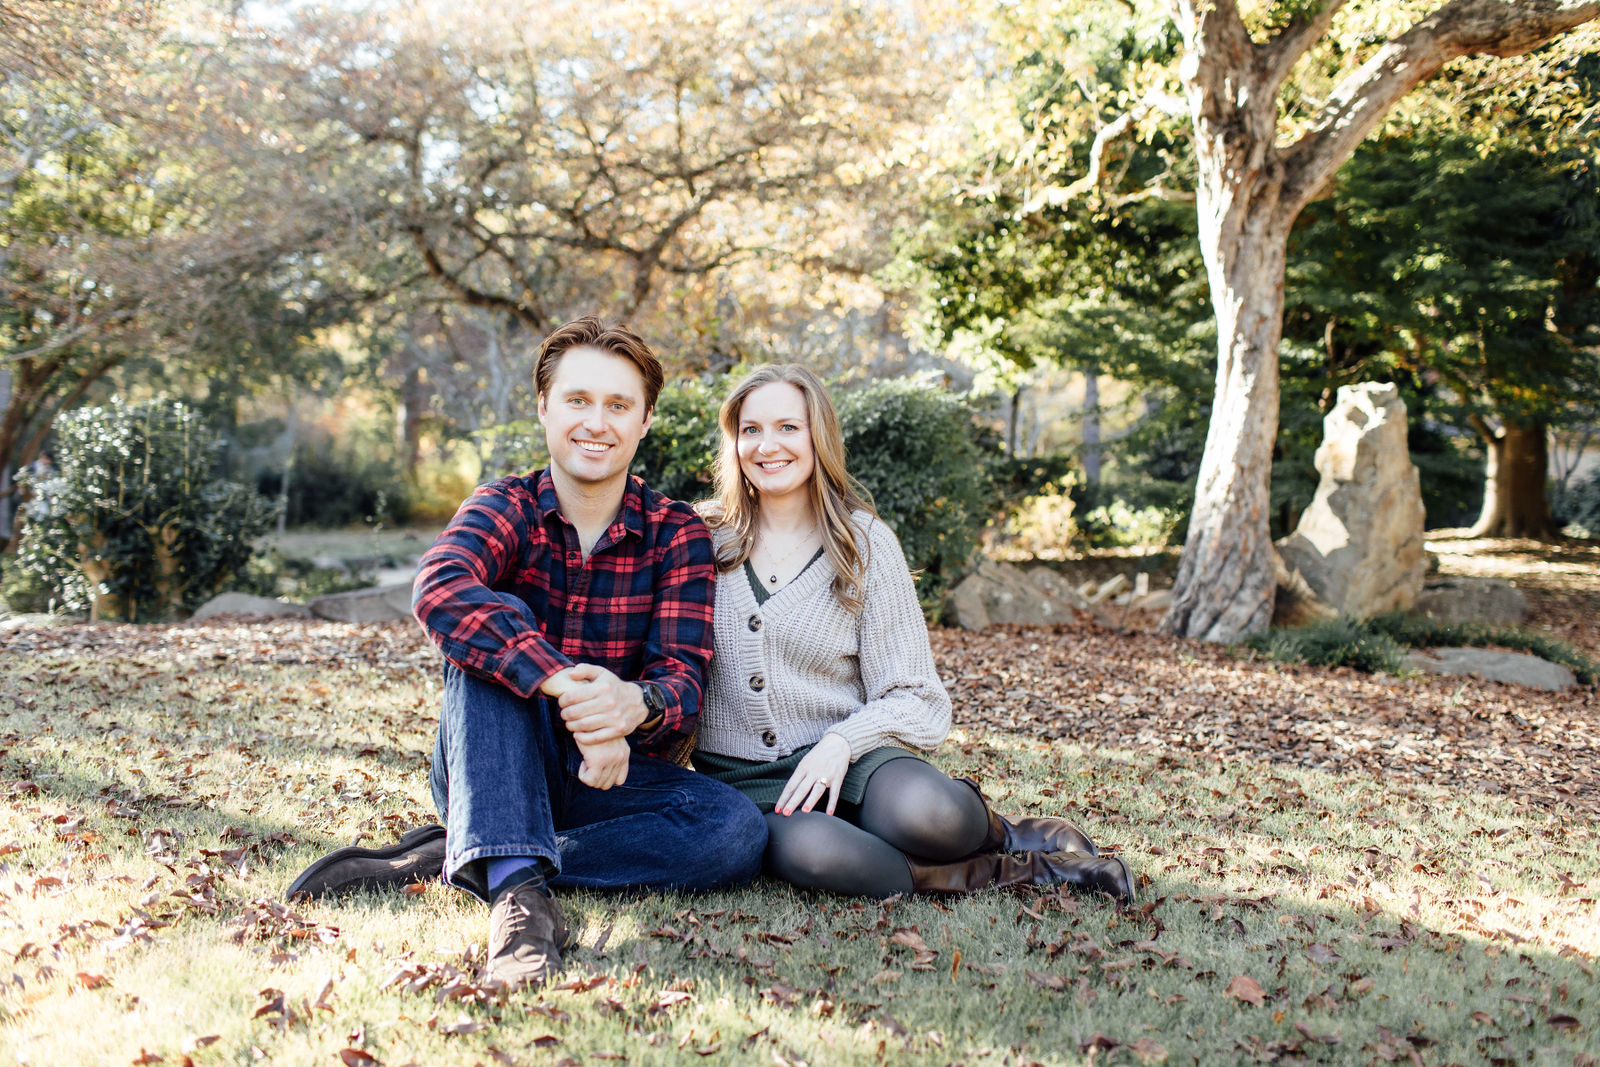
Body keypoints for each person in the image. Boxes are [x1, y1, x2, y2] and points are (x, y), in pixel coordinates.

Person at [285, 318, 768, 988]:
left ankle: (470, 853)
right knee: (494, 627)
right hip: (493, 758)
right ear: (544, 407)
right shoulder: (505, 503)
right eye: (578, 400)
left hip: (612, 779)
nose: (596, 423)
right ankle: (520, 906)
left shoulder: (674, 531)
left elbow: (683, 679)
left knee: (734, 830)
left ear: (645, 420)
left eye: (618, 405)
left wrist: (633, 704)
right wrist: (565, 687)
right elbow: (440, 587)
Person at [692, 365, 1134, 902]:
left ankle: (1007, 833)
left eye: (788, 427)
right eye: (751, 430)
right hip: (750, 780)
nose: (768, 446)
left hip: (856, 757)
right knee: (820, 856)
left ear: (818, 436)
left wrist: (841, 743)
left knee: (934, 815)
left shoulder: (864, 544)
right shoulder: (697, 538)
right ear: (734, 441)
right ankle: (1021, 871)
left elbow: (916, 693)